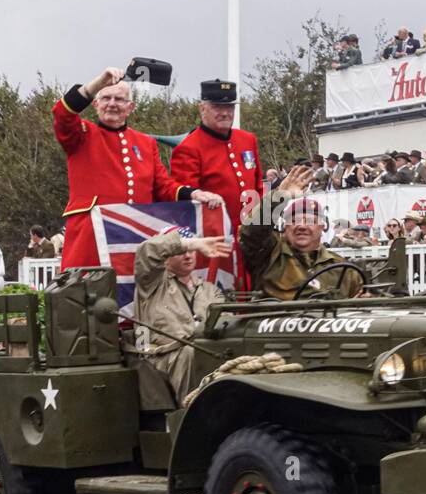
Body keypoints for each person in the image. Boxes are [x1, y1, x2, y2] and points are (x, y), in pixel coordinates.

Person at [53, 63, 223, 270]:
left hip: (136, 237)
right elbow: (62, 114)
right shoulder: (81, 134)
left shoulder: (145, 143)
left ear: (130, 107)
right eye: (106, 98)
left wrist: (194, 194)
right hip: (92, 237)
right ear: (96, 104)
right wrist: (97, 84)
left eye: (119, 99)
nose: (112, 104)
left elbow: (163, 186)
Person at [170, 78, 263, 281]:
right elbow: (187, 207)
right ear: (202, 108)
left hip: (251, 241)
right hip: (217, 244)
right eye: (217, 107)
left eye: (229, 107)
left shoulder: (247, 140)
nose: (224, 113)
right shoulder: (189, 148)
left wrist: (264, 225)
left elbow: (257, 188)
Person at [132, 228, 231, 406]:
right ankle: (188, 417)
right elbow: (146, 251)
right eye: (181, 252)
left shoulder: (210, 290)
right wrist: (193, 243)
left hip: (205, 353)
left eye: (191, 251)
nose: (188, 256)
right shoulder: (152, 284)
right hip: (161, 360)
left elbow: (226, 321)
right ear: (166, 256)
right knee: (190, 353)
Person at [238, 167, 364, 300]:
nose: (302, 226)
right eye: (295, 220)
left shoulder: (341, 267)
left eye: (310, 221)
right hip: (279, 318)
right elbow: (251, 232)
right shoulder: (269, 254)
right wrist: (279, 196)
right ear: (285, 226)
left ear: (322, 227)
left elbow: (360, 304)